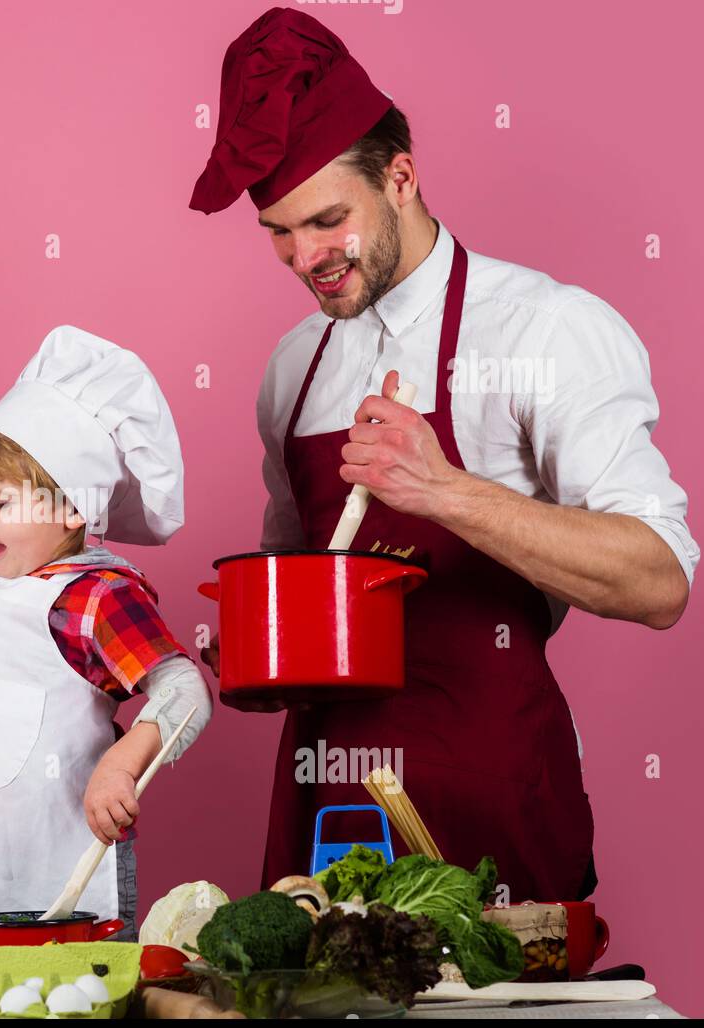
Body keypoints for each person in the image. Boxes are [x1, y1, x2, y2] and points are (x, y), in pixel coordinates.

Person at [189, 9, 697, 900]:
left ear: (402, 176)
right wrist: (243, 640)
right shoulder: (290, 370)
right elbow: (291, 575)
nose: (305, 257)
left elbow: (660, 581)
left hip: (488, 800)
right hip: (321, 810)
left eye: (327, 220)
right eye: (278, 230)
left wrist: (449, 493)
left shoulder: (545, 328)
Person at [0, 325, 212, 937]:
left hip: (61, 852)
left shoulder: (97, 595)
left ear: (72, 508)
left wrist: (124, 762)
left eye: (0, 503)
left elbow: (184, 689)